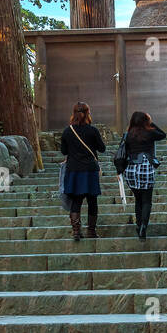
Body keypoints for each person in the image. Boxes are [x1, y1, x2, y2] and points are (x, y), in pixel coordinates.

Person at [60, 102, 107, 239]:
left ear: (73, 113)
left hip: (74, 170)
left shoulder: (67, 131)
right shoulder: (92, 131)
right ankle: (91, 231)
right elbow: (102, 148)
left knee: (76, 200)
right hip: (90, 170)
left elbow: (64, 151)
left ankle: (76, 231)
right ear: (88, 113)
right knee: (92, 200)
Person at [122, 110, 166, 240]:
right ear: (145, 121)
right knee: (147, 200)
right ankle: (144, 227)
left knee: (138, 199)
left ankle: (138, 224)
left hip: (131, 169)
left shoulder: (128, 135)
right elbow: (163, 134)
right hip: (145, 167)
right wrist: (152, 123)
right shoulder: (149, 132)